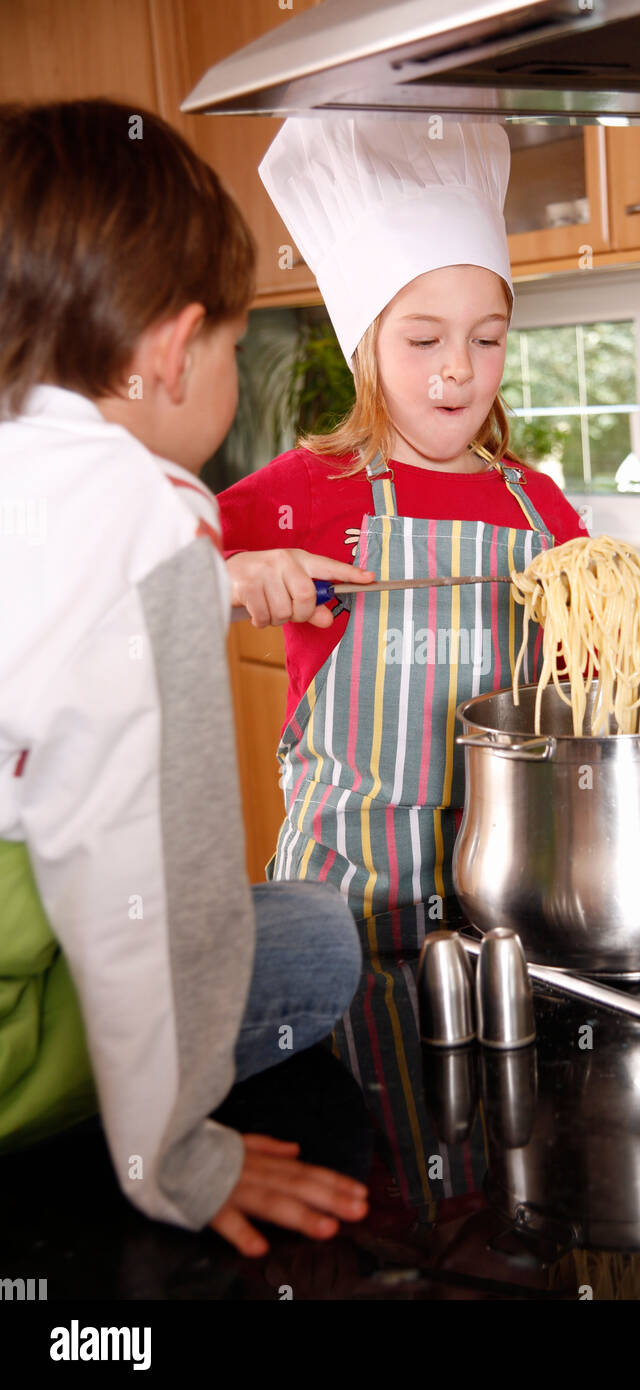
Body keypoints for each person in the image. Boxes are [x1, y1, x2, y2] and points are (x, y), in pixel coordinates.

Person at [0, 99, 371, 1258]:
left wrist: (219, 583)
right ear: (170, 350)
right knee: (317, 939)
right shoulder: (140, 519)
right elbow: (160, 887)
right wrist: (178, 1156)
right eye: (232, 345)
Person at [220, 116, 640, 921]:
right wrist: (228, 574)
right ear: (365, 345)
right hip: (339, 906)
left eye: (487, 339)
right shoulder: (312, 488)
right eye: (424, 340)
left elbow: (605, 682)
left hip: (512, 898)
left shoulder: (538, 504)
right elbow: (126, 575)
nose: (459, 368)